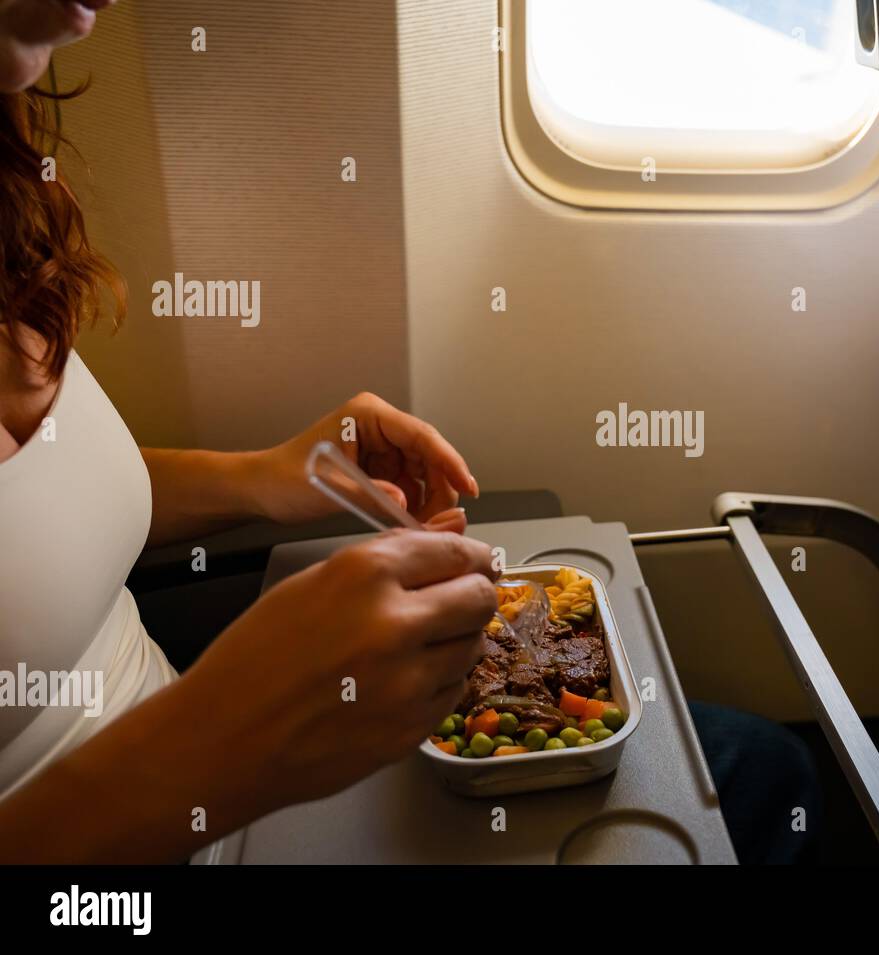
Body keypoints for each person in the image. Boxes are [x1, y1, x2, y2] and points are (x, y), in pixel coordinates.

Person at [0, 0, 820, 864]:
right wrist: (225, 738)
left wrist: (276, 476)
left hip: (227, 765)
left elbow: (44, 507)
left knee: (757, 769)